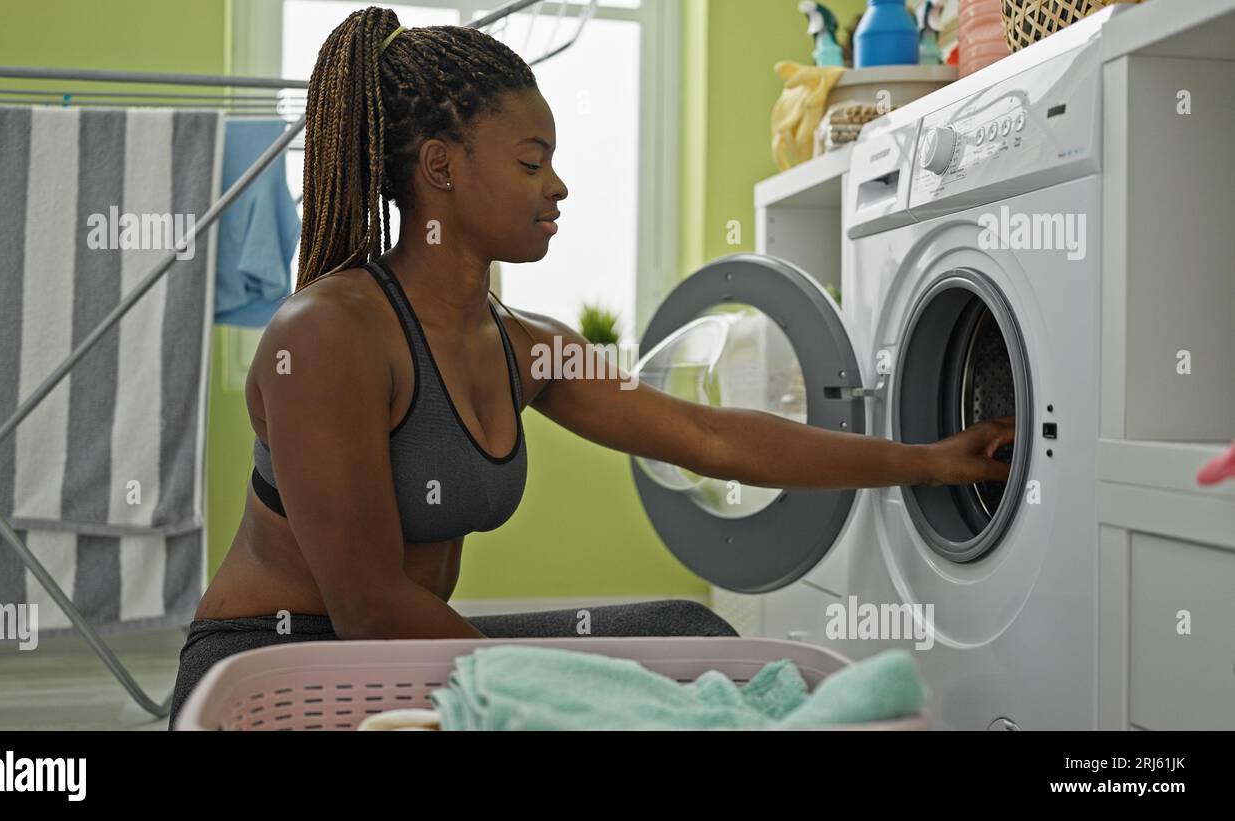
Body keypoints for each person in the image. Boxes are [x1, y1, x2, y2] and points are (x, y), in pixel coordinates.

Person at [167, 7, 1014, 728]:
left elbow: (708, 434)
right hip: (281, 669)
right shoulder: (327, 336)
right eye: (532, 162)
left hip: (403, 654)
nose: (559, 186)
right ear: (441, 169)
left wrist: (931, 459)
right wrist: (573, 696)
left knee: (692, 633)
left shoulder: (526, 345)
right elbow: (367, 608)